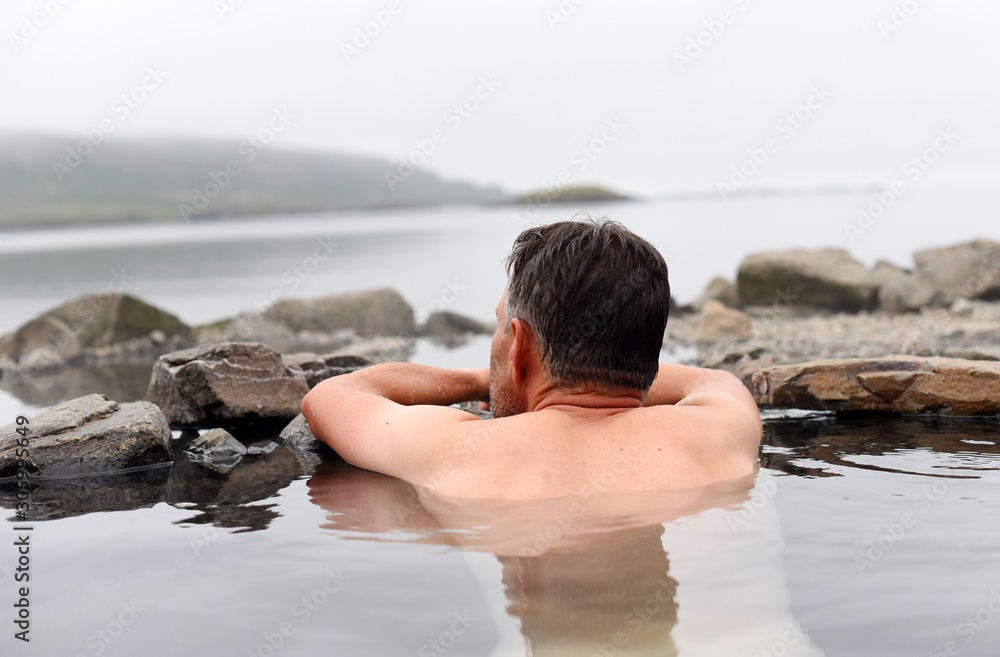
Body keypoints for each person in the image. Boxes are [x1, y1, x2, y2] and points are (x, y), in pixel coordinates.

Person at [301, 218, 762, 499]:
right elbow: (714, 381)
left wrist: (482, 379)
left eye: (502, 326)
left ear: (519, 346)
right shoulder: (719, 431)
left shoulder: (457, 452)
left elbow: (332, 396)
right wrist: (617, 374)